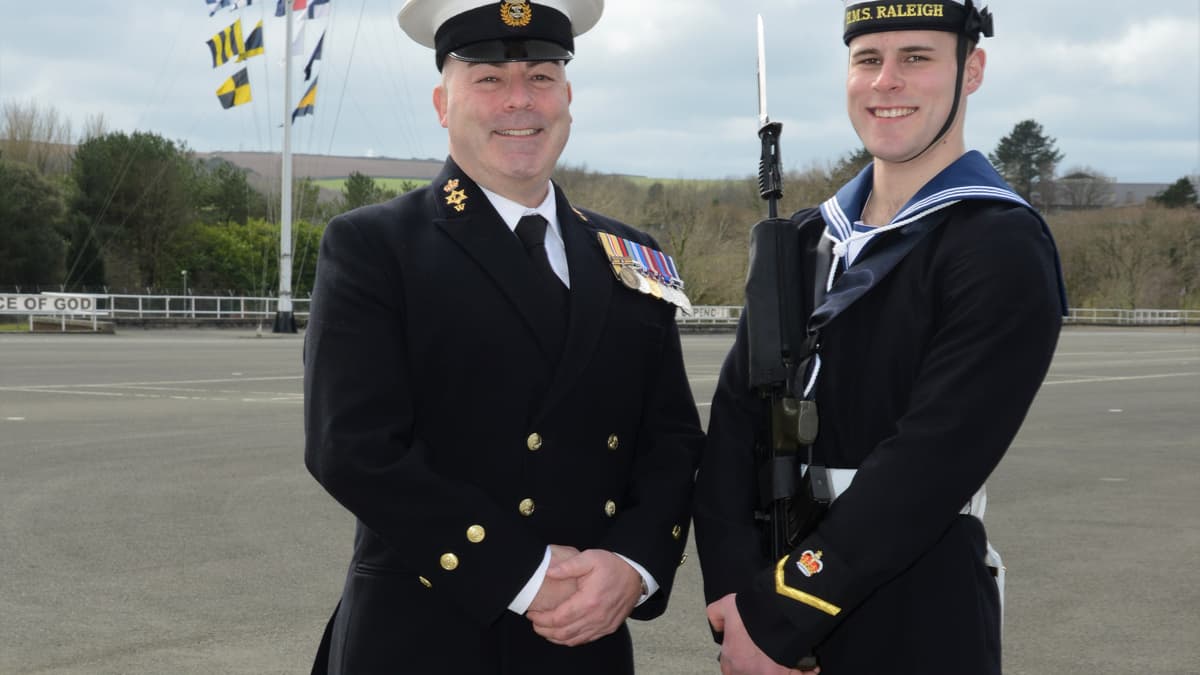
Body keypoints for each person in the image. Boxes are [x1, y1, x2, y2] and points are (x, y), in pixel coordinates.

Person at [302, 1, 704, 673]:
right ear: (443, 104)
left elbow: (671, 439)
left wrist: (633, 565)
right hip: (423, 635)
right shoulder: (374, 247)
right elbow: (351, 446)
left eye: (542, 76)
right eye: (489, 78)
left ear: (568, 98)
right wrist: (522, 573)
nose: (520, 100)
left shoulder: (629, 254)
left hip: (586, 637)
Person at [693, 1, 1068, 673]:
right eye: (867, 59)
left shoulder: (999, 243)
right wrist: (732, 584)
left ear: (972, 70)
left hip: (912, 599)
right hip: (766, 596)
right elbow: (734, 420)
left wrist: (782, 613)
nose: (885, 81)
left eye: (916, 58)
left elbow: (929, 464)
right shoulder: (805, 238)